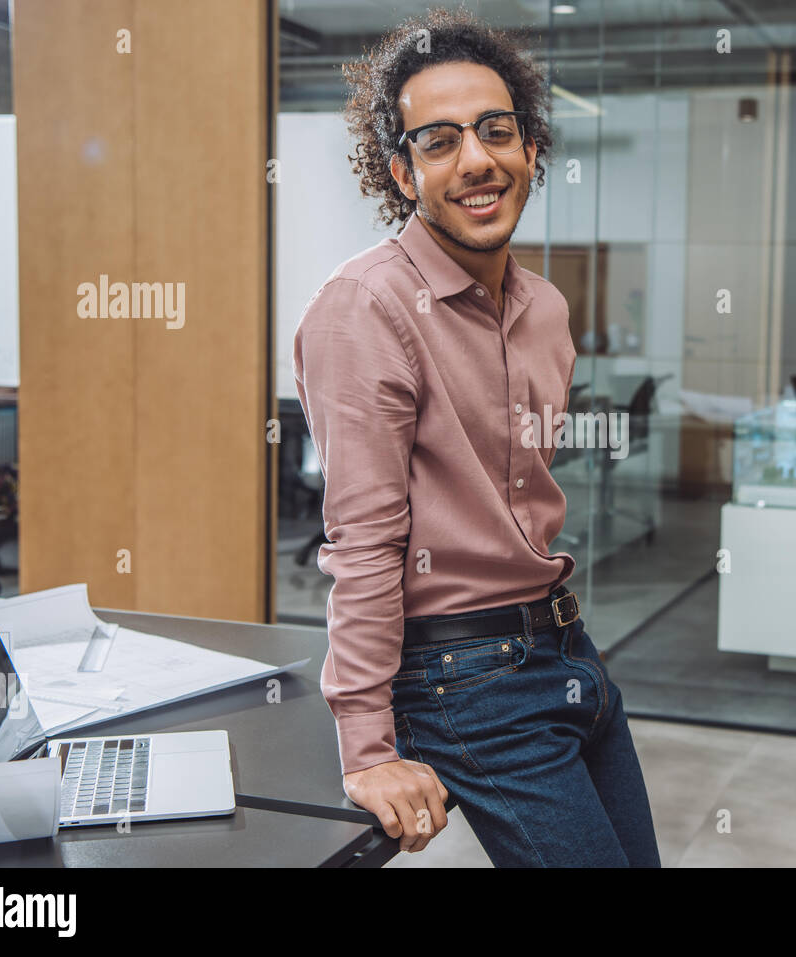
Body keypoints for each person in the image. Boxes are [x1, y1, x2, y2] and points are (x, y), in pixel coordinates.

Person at [291, 7, 660, 867]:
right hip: (463, 677)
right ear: (400, 171)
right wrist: (368, 743)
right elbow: (366, 542)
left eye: (498, 131)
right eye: (439, 141)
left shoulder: (547, 310)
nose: (477, 160)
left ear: (532, 148)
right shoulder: (365, 310)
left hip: (566, 642)